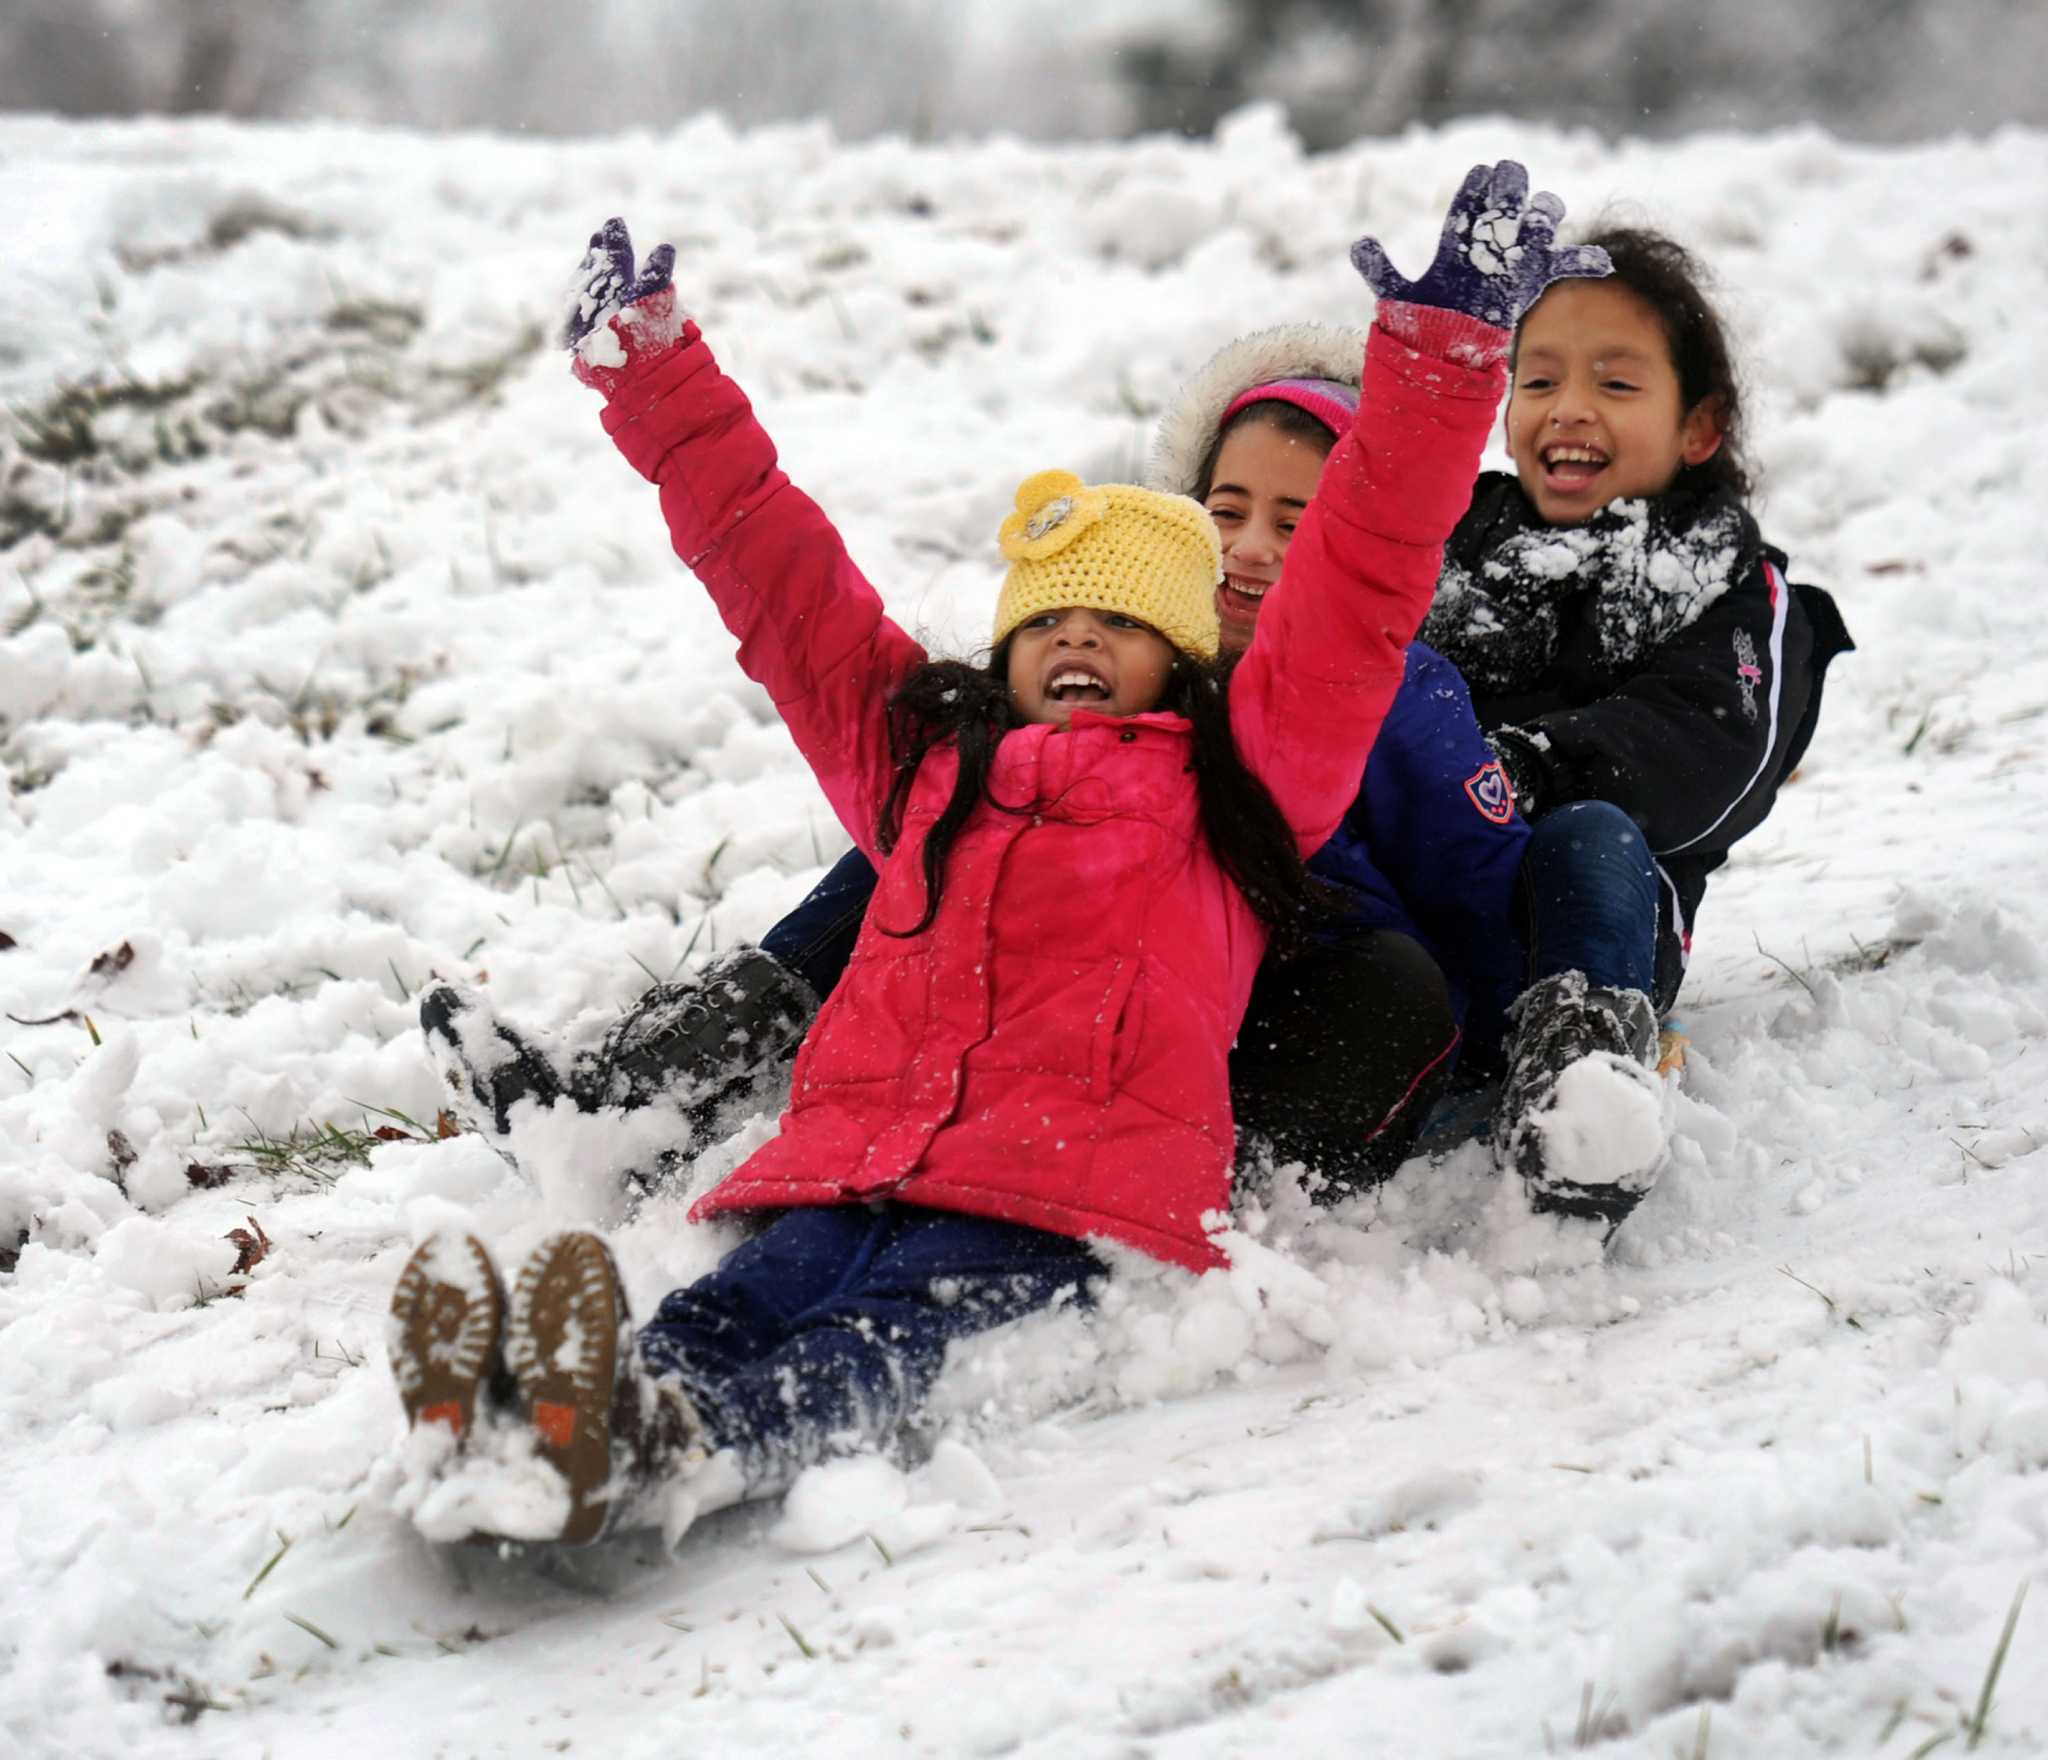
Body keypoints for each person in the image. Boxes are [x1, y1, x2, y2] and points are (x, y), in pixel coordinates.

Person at [387, 162, 1604, 1546]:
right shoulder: (923, 774)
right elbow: (780, 582)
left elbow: (1365, 572)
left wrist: (1440, 360)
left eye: (1120, 622)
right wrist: (657, 381)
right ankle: (552, 1431)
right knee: (738, 1297)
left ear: (1185, 660)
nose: (1078, 636)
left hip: (1061, 1190)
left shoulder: (1235, 791)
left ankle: (690, 1447)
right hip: (858, 1159)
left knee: (880, 1335)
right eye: (1049, 620)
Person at [421, 330, 1532, 1201]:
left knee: (1396, 983)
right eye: (1226, 512)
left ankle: (1227, 1197)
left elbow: (1476, 886)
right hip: (1096, 1009)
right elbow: (809, 618)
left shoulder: (1396, 692)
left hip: (1292, 1001)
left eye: (1300, 524)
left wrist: (1504, 1038)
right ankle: (644, 1097)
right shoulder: (1125, 678)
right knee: (953, 818)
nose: (1249, 547)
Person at [1419, 225, 1854, 1232]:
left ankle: (1579, 1094)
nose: (1569, 407)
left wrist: (1527, 767)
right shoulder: (1455, 539)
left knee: (1593, 838)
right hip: (1421, 883)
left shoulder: (1725, 583)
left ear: (1697, 427)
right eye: (1539, 380)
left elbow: (1707, 748)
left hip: (1583, 909)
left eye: (1614, 384)